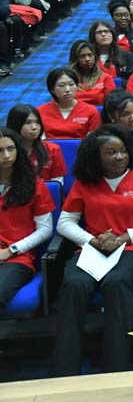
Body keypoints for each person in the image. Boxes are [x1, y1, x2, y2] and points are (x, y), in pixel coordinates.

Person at [52, 125, 133, 376]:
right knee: (74, 283)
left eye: (122, 151)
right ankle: (64, 369)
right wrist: (92, 241)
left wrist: (125, 237)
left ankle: (117, 367)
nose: (120, 157)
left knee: (117, 282)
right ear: (96, 157)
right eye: (111, 152)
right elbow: (64, 223)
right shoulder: (85, 183)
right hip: (94, 249)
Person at [0, 128, 55, 310]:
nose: (6, 155)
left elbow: (45, 229)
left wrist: (12, 250)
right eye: (0, 151)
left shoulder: (33, 184)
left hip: (17, 258)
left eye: (11, 149)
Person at [6, 104, 66, 182]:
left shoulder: (53, 150)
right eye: (28, 122)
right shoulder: (5, 152)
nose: (34, 127)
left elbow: (57, 185)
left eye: (37, 122)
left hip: (44, 193)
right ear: (16, 124)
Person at [37, 67, 101, 139]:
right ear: (52, 89)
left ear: (77, 86)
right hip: (49, 149)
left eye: (71, 84)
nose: (67, 89)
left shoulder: (90, 111)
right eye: (62, 85)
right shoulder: (40, 111)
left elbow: (94, 142)